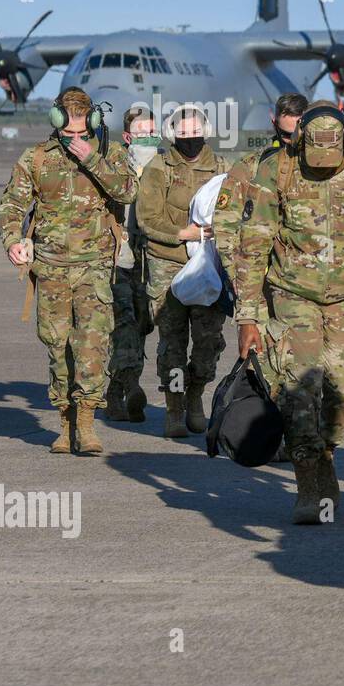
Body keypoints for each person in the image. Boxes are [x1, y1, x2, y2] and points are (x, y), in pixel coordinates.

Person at [236, 100, 344, 524]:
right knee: (297, 391)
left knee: (340, 395)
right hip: (293, 298)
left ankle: (326, 456)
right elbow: (253, 245)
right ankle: (308, 485)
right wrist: (247, 317)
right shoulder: (277, 170)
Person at [0, 87, 137, 454]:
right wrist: (13, 240)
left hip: (94, 267)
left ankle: (87, 424)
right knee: (58, 348)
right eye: (68, 133)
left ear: (92, 123)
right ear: (56, 123)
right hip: (51, 269)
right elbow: (12, 205)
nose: (75, 139)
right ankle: (65, 421)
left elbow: (127, 192)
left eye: (81, 132)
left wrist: (92, 159)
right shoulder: (37, 158)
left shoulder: (110, 153)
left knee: (92, 346)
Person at [136, 105, 230, 438]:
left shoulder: (221, 168)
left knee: (208, 342)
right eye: (183, 135)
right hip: (168, 263)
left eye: (196, 134)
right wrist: (184, 233)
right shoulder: (158, 168)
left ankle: (196, 396)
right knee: (172, 344)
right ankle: (174, 408)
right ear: (172, 135)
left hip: (207, 266)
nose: (190, 141)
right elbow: (148, 218)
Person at [213, 92, 306, 285]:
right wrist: (239, 277)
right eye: (286, 135)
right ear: (274, 122)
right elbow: (224, 224)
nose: (292, 141)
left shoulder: (325, 170)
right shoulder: (251, 167)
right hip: (267, 279)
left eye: (298, 134)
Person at [103, 106, 157, 423]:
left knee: (141, 324)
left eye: (153, 132)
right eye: (142, 133)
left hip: (150, 260)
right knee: (123, 322)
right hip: (119, 257)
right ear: (127, 137)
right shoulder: (113, 166)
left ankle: (120, 384)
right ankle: (124, 389)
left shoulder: (162, 166)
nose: (149, 138)